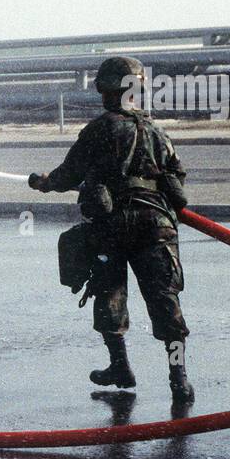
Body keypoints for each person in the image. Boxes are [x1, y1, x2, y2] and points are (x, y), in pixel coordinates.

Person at [29, 56, 195, 403]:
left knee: (109, 296)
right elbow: (177, 177)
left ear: (106, 90)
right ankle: (179, 379)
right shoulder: (155, 131)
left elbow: (68, 174)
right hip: (155, 225)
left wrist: (44, 183)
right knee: (166, 304)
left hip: (113, 226)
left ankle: (120, 366)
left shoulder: (100, 129)